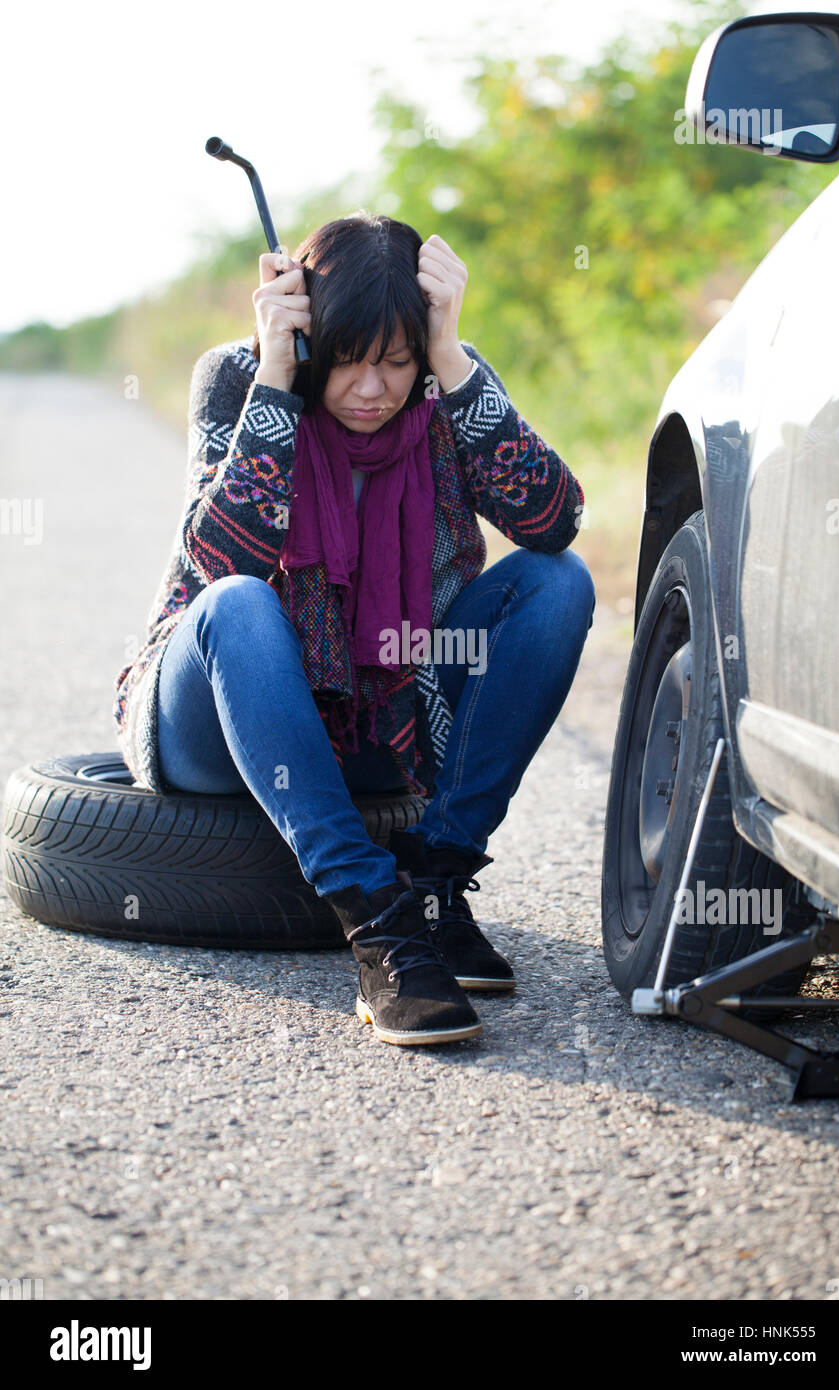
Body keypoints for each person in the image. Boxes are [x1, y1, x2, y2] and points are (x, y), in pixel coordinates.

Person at [113, 212, 595, 1047]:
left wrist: (448, 353)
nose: (373, 389)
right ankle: (380, 923)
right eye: (349, 362)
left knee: (557, 584)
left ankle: (437, 879)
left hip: (387, 716)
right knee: (239, 603)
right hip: (219, 713)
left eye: (396, 361)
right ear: (312, 340)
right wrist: (275, 376)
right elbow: (221, 555)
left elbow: (554, 519)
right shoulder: (235, 376)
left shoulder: (446, 383)